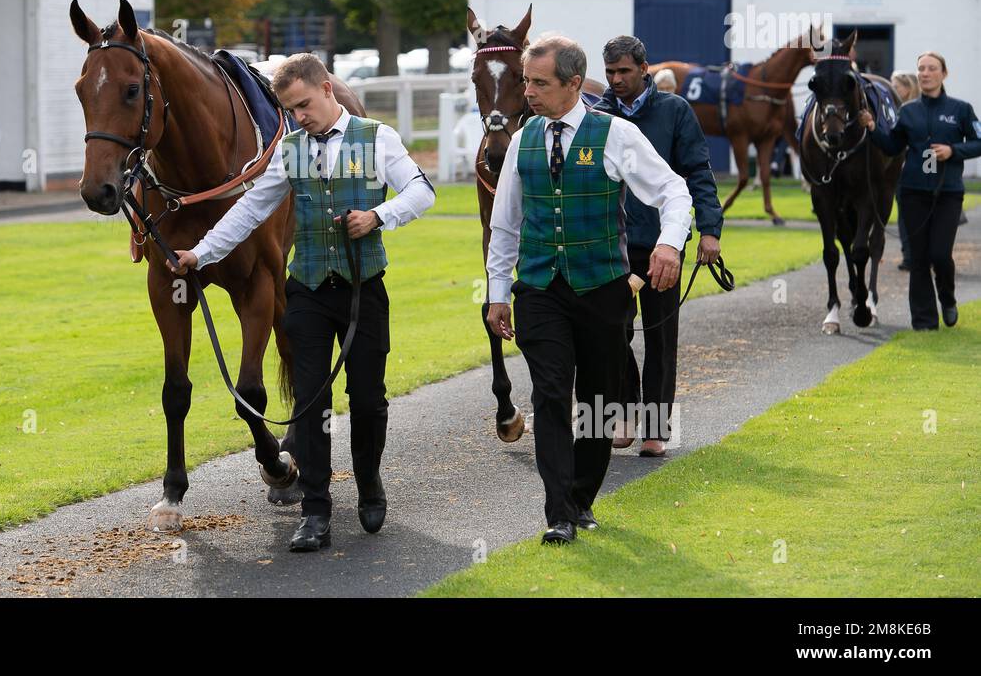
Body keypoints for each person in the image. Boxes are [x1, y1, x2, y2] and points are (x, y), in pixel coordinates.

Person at [168, 53, 435, 552]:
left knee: (369, 397)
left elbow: (422, 192)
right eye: (290, 110)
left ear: (328, 90)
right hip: (308, 290)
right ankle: (315, 510)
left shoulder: (377, 138)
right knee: (309, 402)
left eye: (305, 105)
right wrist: (200, 254)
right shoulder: (289, 152)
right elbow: (250, 208)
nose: (299, 117)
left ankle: (370, 485)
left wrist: (379, 215)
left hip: (363, 290)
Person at [486, 35, 692, 544]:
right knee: (550, 394)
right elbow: (505, 224)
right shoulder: (521, 140)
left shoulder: (615, 135)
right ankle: (558, 512)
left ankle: (580, 498)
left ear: (573, 84)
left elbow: (673, 190)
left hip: (603, 289)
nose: (528, 92)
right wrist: (497, 292)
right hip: (539, 289)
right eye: (525, 82)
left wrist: (669, 245)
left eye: (539, 83)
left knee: (599, 400)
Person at [593, 36, 722, 458]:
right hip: (612, 246)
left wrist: (709, 229)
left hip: (664, 243)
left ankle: (656, 426)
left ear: (644, 68)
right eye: (610, 73)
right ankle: (625, 411)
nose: (616, 81)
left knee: (660, 336)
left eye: (624, 72)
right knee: (613, 332)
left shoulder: (675, 111)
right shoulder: (598, 116)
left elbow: (698, 172)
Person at [861, 52, 981, 330]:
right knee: (918, 258)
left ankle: (948, 299)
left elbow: (978, 142)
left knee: (940, 254)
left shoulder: (961, 109)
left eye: (931, 69)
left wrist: (954, 150)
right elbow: (892, 145)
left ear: (944, 74)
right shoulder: (908, 111)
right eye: (921, 69)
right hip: (913, 191)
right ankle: (924, 320)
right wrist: (872, 127)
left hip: (948, 193)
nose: (925, 73)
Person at [890, 70, 922, 271]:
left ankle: (921, 254)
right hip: (901, 172)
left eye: (896, 86)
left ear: (908, 88)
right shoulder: (894, 110)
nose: (892, 89)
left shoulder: (917, 111)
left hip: (921, 168)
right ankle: (909, 255)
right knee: (904, 214)